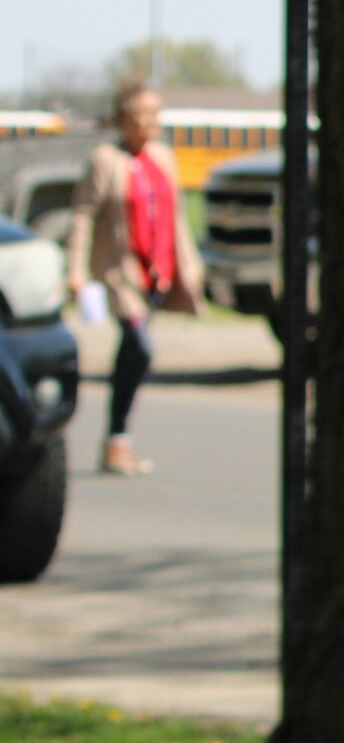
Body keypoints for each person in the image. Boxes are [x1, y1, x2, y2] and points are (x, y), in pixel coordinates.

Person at [65, 75, 202, 477]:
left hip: (157, 275)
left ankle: (117, 440)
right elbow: (83, 217)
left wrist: (190, 265)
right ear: (124, 119)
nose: (150, 121)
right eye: (143, 113)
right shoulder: (105, 159)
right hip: (120, 273)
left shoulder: (163, 157)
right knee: (139, 346)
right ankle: (117, 439)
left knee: (133, 356)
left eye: (155, 113)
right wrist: (76, 271)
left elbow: (176, 216)